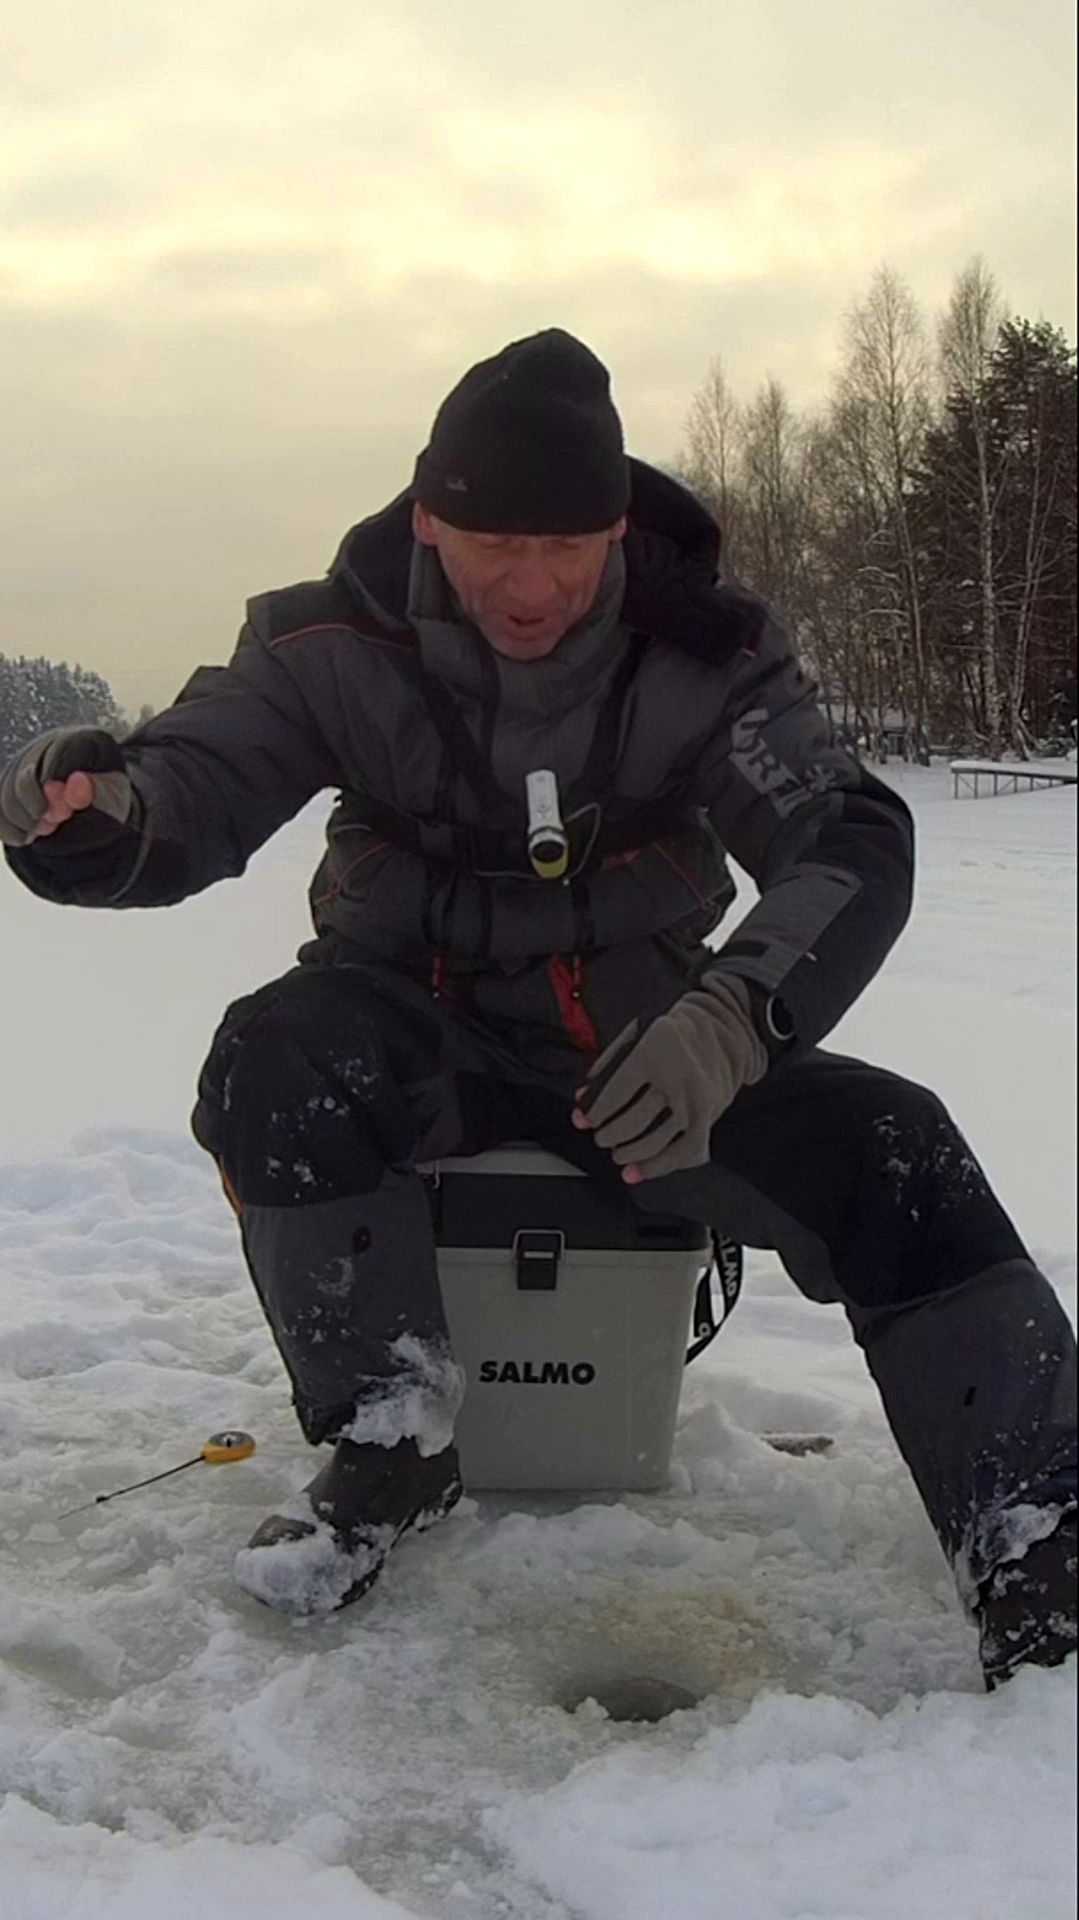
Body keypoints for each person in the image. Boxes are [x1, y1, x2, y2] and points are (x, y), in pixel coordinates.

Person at [2, 330, 1075, 1684]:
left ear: (616, 529)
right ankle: (391, 1441)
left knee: (898, 1147)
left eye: (567, 546)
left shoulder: (712, 650)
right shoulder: (327, 639)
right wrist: (101, 816)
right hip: (412, 1040)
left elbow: (848, 839)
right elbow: (194, 783)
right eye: (494, 543)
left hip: (650, 1057)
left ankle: (1039, 1537)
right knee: (273, 1056)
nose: (532, 585)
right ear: (428, 520)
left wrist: (730, 1023)